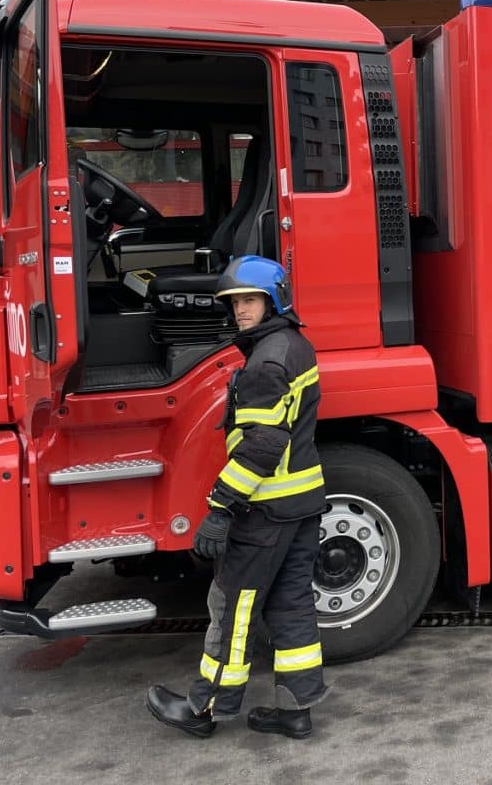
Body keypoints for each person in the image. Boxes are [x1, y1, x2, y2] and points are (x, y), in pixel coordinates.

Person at [147, 255, 330, 739]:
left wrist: (222, 507)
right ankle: (295, 709)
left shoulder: (266, 363)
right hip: (302, 504)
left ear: (273, 300)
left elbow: (265, 445)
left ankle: (203, 709)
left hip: (264, 511)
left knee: (234, 608)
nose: (239, 311)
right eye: (234, 302)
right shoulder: (295, 345)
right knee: (291, 606)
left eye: (249, 300)